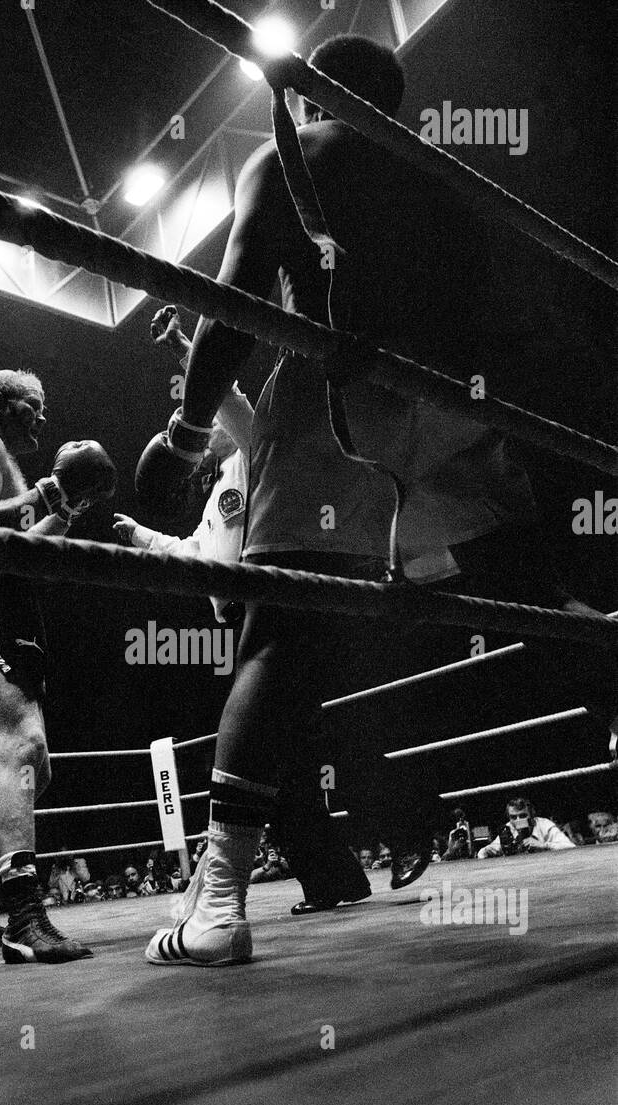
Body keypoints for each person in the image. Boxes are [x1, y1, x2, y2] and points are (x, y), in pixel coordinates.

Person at [137, 34, 615, 967]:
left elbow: (234, 298)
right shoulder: (443, 177)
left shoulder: (290, 157)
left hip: (331, 403)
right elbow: (507, 316)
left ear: (316, 91)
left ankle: (220, 905)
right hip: (450, 406)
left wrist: (190, 430)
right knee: (531, 592)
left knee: (282, 635)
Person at [127, 306, 372, 917]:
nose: (188, 432)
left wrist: (185, 348)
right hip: (244, 618)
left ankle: (390, 824)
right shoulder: (218, 495)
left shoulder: (255, 451)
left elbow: (231, 403)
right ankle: (337, 874)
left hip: (276, 603)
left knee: (269, 751)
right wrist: (137, 535)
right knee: (284, 756)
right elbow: (194, 555)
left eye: (191, 423)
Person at [0, 368, 115, 964]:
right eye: (35, 407)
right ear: (4, 405)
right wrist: (41, 494)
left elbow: (23, 550)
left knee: (35, 769)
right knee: (18, 747)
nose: (42, 418)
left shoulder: (4, 465)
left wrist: (67, 506)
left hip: (4, 599)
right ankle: (24, 914)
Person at [477, 798, 576, 857]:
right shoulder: (508, 827)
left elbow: (571, 847)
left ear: (532, 815)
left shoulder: (545, 824)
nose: (518, 820)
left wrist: (545, 846)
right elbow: (482, 853)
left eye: (523, 816)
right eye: (513, 817)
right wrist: (487, 851)